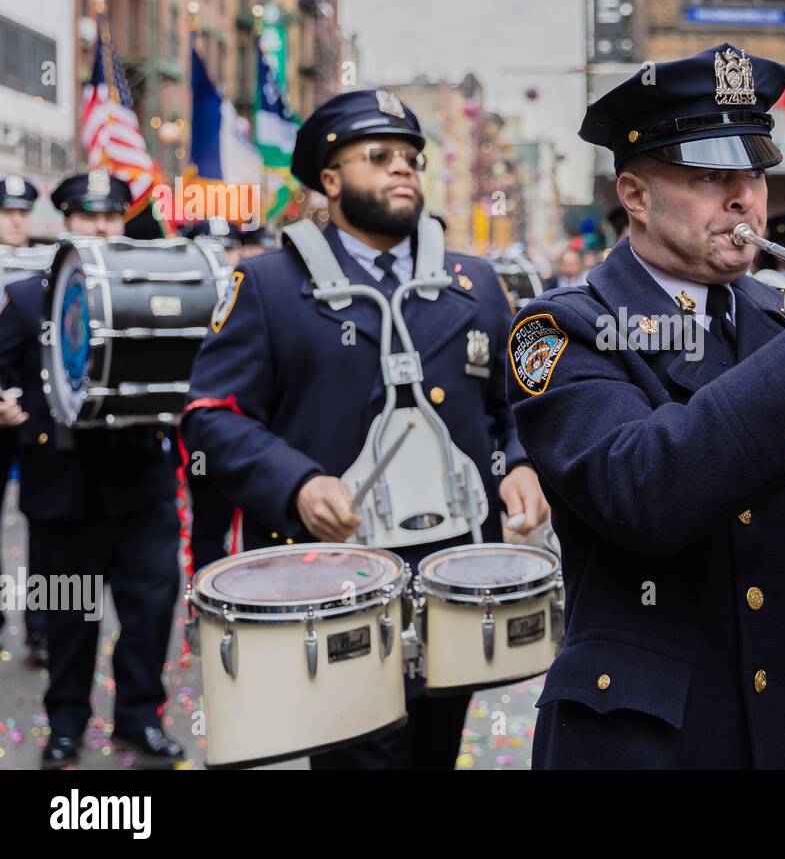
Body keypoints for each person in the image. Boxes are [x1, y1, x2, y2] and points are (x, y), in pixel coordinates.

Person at [507, 44, 785, 768]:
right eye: (708, 175)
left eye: (752, 170)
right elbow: (647, 493)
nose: (744, 196)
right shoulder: (564, 327)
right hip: (671, 734)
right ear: (634, 195)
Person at [180, 89, 549, 769]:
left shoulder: (475, 280)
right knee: (357, 756)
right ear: (329, 180)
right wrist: (297, 484)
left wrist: (521, 463)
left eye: (410, 157)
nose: (402, 169)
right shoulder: (266, 282)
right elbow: (210, 417)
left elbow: (516, 405)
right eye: (378, 157)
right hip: (334, 582)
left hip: (451, 577)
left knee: (436, 750)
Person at [0, 171, 184, 769]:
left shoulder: (151, 288)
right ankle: (66, 725)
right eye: (88, 217)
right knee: (69, 618)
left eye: (110, 217)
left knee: (151, 610)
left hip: (141, 485)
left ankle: (139, 718)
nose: (101, 227)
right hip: (63, 488)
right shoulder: (30, 297)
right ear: (68, 224)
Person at [0, 175, 46, 664]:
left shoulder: (46, 268)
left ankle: (41, 627)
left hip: (31, 413)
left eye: (21, 211)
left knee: (44, 524)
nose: (15, 220)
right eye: (6, 211)